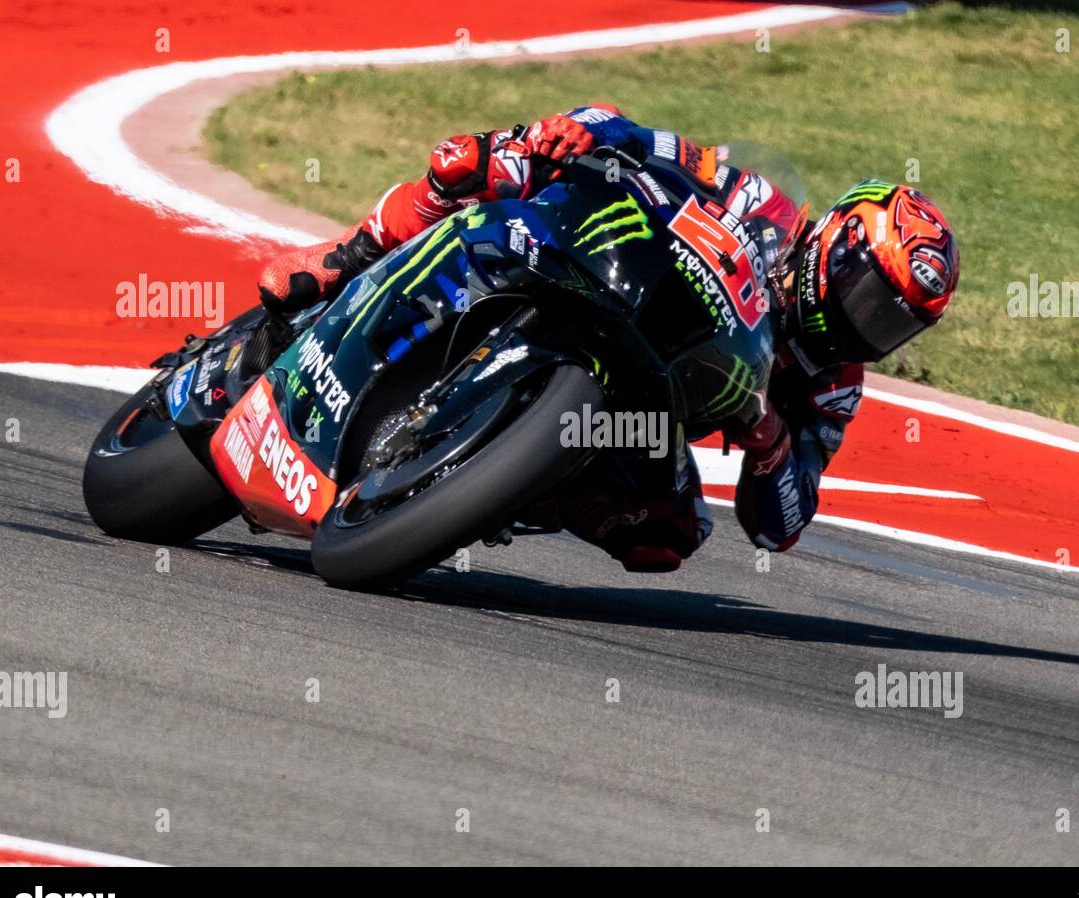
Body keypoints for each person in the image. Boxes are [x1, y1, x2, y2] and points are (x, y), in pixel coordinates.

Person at [257, 105, 960, 571]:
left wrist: (774, 442)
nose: (868, 326)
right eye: (871, 297)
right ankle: (351, 256)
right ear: (837, 244)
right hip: (598, 266)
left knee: (669, 536)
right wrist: (586, 133)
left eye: (892, 323)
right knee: (475, 161)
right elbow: (654, 144)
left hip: (642, 404)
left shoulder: (832, 382)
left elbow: (783, 524)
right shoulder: (761, 204)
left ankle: (505, 486)